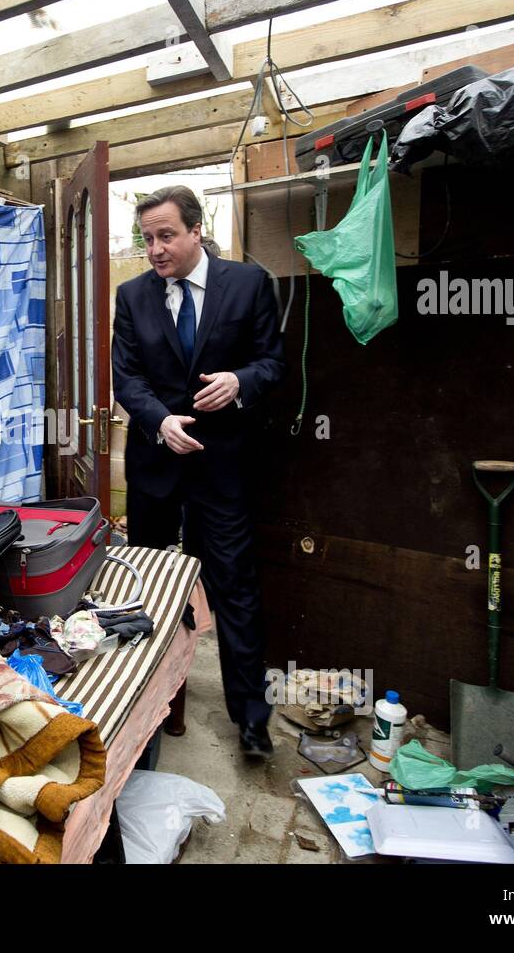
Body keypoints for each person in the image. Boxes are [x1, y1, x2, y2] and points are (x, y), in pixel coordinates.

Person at [112, 186, 285, 758]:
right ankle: (151, 709)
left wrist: (241, 383)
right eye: (147, 239)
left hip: (222, 470)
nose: (155, 250)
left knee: (234, 588)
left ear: (196, 230)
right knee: (151, 593)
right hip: (156, 469)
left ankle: (252, 719)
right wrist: (160, 422)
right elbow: (128, 379)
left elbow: (272, 364)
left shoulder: (247, 284)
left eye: (166, 236)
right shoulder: (132, 296)